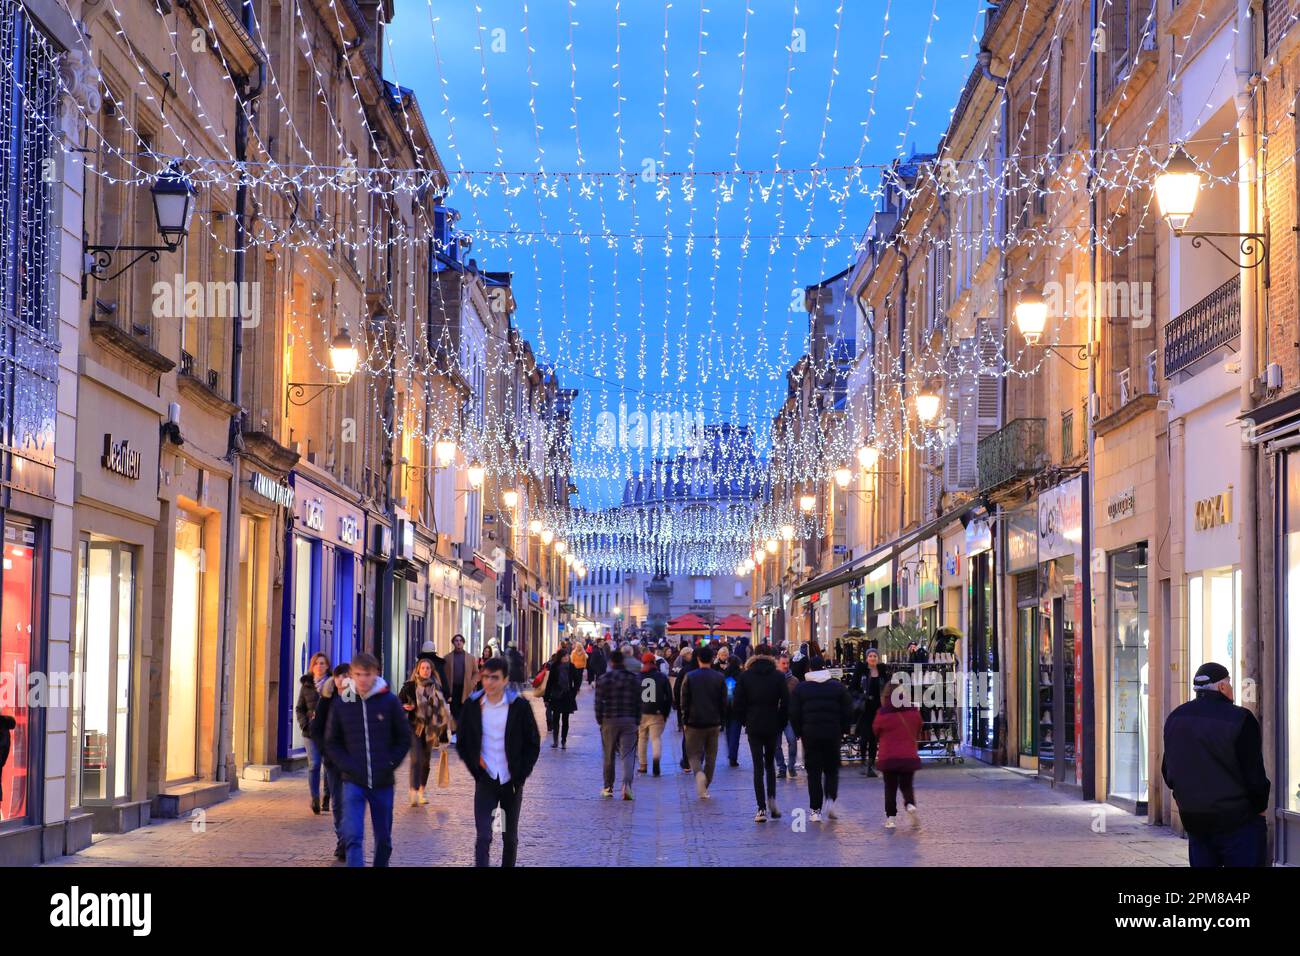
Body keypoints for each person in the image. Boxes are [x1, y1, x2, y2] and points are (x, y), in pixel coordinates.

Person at [1162, 662, 1271, 867]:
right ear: (1222, 687)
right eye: (1229, 684)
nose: (1232, 689)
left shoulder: (1175, 717)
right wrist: (1260, 808)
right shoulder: (1240, 719)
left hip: (1196, 821)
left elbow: (1168, 772)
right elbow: (1254, 774)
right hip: (1238, 822)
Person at [323, 652, 411, 867]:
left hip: (382, 781)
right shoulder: (343, 703)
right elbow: (332, 741)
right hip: (353, 781)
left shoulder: (389, 701)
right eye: (358, 674)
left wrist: (390, 763)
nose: (362, 679)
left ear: (376, 674)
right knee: (353, 837)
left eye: (367, 674)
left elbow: (404, 737)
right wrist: (347, 765)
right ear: (352, 675)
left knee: (384, 840)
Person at [455, 657, 541, 867]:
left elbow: (533, 742)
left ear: (505, 680)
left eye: (494, 678)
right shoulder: (473, 705)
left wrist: (521, 774)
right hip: (486, 781)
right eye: (485, 677)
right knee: (484, 835)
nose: (489, 682)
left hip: (511, 782)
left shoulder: (519, 706)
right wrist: (476, 767)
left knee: (509, 838)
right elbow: (462, 740)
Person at [789, 663, 853, 823]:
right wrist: (844, 729)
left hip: (810, 734)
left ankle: (815, 810)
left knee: (814, 772)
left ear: (809, 670)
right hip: (832, 733)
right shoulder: (837, 687)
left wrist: (798, 731)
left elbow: (794, 712)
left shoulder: (801, 689)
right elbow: (848, 709)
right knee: (831, 769)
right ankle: (830, 799)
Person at [734, 643, 790, 822]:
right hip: (772, 723)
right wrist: (780, 722)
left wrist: (745, 721)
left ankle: (761, 808)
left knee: (757, 767)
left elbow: (738, 703)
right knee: (770, 765)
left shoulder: (745, 676)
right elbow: (786, 703)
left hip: (754, 724)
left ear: (754, 655)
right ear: (771, 656)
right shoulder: (778, 676)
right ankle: (772, 799)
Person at [310, 662, 351, 860]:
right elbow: (316, 729)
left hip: (353, 761)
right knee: (337, 802)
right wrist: (326, 750)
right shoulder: (326, 700)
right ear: (334, 679)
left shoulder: (357, 699)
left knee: (350, 800)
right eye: (338, 676)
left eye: (346, 676)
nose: (342, 680)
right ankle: (342, 839)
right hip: (333, 761)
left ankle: (348, 840)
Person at [398, 656, 450, 807]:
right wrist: (405, 707)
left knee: (426, 761)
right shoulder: (409, 686)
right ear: (418, 670)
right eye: (423, 668)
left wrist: (443, 735)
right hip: (414, 727)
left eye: (428, 668)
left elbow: (443, 712)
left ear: (431, 671)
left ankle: (422, 791)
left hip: (430, 729)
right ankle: (413, 790)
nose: (426, 671)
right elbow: (398, 702)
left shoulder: (437, 688)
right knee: (416, 758)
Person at [874, 671, 923, 829]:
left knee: (890, 787)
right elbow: (918, 727)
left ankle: (891, 819)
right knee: (907, 785)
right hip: (908, 755)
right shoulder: (912, 711)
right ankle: (910, 805)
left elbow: (876, 730)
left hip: (888, 757)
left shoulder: (883, 713)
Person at [680, 644, 727, 800]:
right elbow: (723, 701)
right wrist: (722, 719)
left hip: (694, 722)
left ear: (698, 658)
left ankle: (698, 773)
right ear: (712, 658)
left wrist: (684, 720)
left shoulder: (690, 676)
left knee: (693, 753)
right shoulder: (719, 677)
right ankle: (705, 785)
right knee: (711, 756)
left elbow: (684, 701)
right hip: (713, 722)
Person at [594, 649, 642, 799]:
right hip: (629, 719)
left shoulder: (604, 679)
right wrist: (637, 719)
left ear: (611, 662)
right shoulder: (634, 679)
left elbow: (598, 703)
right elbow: (639, 702)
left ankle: (608, 787)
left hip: (609, 719)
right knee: (628, 754)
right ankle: (627, 785)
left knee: (608, 754)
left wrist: (600, 720)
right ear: (624, 662)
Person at [296, 651, 332, 814]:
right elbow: (300, 708)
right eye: (317, 663)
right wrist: (304, 724)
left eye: (322, 663)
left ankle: (327, 798)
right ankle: (315, 798)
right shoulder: (306, 685)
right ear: (312, 666)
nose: (319, 666)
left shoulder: (334, 684)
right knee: (314, 764)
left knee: (329, 766)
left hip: (329, 732)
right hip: (310, 732)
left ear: (327, 666)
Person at [637, 651, 672, 776]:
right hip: (657, 713)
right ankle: (656, 762)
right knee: (656, 738)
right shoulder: (661, 677)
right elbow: (669, 696)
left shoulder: (638, 676)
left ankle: (643, 765)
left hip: (641, 712)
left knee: (642, 738)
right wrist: (665, 712)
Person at [853, 647, 887, 777]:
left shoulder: (882, 672)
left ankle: (871, 763)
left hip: (878, 708)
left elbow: (886, 688)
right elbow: (853, 688)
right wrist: (861, 696)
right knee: (864, 737)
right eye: (870, 656)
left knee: (874, 738)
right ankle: (863, 761)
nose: (872, 658)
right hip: (865, 708)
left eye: (874, 656)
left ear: (878, 658)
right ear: (866, 658)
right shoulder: (862, 671)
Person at [440, 634, 480, 732]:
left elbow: (476, 673)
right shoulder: (447, 658)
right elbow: (443, 674)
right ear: (453, 643)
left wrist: (472, 684)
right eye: (456, 640)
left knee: (464, 709)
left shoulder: (470, 658)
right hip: (452, 688)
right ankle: (455, 730)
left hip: (465, 688)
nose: (458, 642)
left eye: (460, 641)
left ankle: (462, 729)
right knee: (454, 709)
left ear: (463, 643)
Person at [543, 649, 580, 749]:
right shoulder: (555, 667)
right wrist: (546, 698)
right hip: (556, 696)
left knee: (565, 719)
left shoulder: (571, 667)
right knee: (555, 719)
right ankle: (555, 741)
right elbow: (549, 683)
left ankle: (563, 740)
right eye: (564, 656)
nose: (566, 658)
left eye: (567, 656)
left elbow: (577, 680)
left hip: (567, 696)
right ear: (560, 657)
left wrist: (573, 692)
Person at [716, 644, 744, 767]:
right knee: (735, 733)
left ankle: (731, 752)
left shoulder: (723, 675)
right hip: (737, 708)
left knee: (728, 731)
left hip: (725, 707)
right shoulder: (741, 676)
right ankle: (733, 755)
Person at [672, 644, 697, 772]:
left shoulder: (686, 670)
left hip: (687, 709)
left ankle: (687, 763)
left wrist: (677, 704)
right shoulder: (711, 672)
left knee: (687, 736)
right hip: (705, 711)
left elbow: (677, 688)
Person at [774, 652, 800, 779]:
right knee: (776, 745)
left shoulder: (794, 681)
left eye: (787, 663)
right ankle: (781, 767)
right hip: (776, 716)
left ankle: (791, 766)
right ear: (777, 664)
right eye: (783, 663)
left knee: (792, 741)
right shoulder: (772, 679)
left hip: (789, 716)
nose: (786, 666)